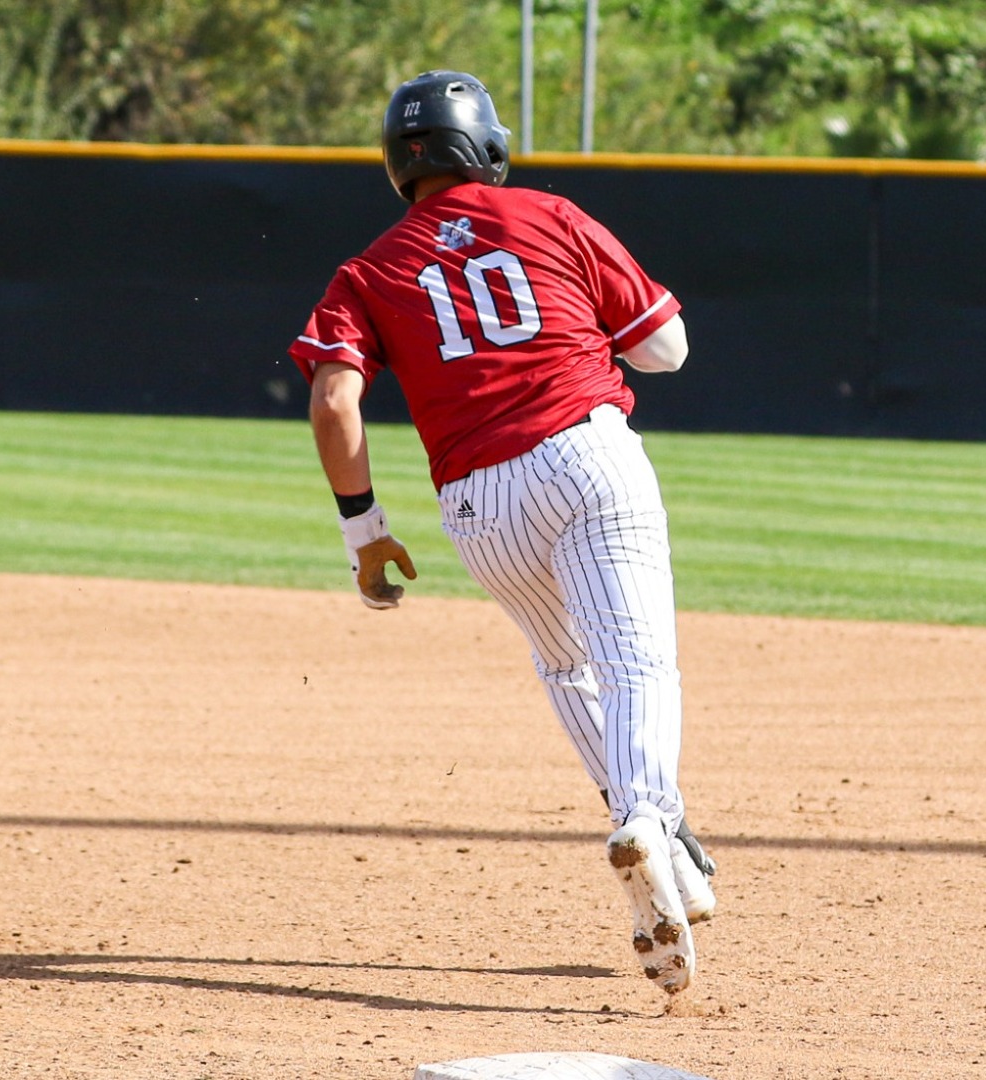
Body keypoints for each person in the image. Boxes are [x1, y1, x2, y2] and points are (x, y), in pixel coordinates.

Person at [288, 70, 715, 996]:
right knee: (637, 660)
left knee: (568, 667)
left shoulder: (369, 269)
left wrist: (366, 531)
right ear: (485, 142)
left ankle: (649, 830)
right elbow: (666, 347)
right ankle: (650, 817)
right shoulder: (548, 214)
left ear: (399, 169)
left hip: (479, 505)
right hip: (584, 456)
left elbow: (333, 398)